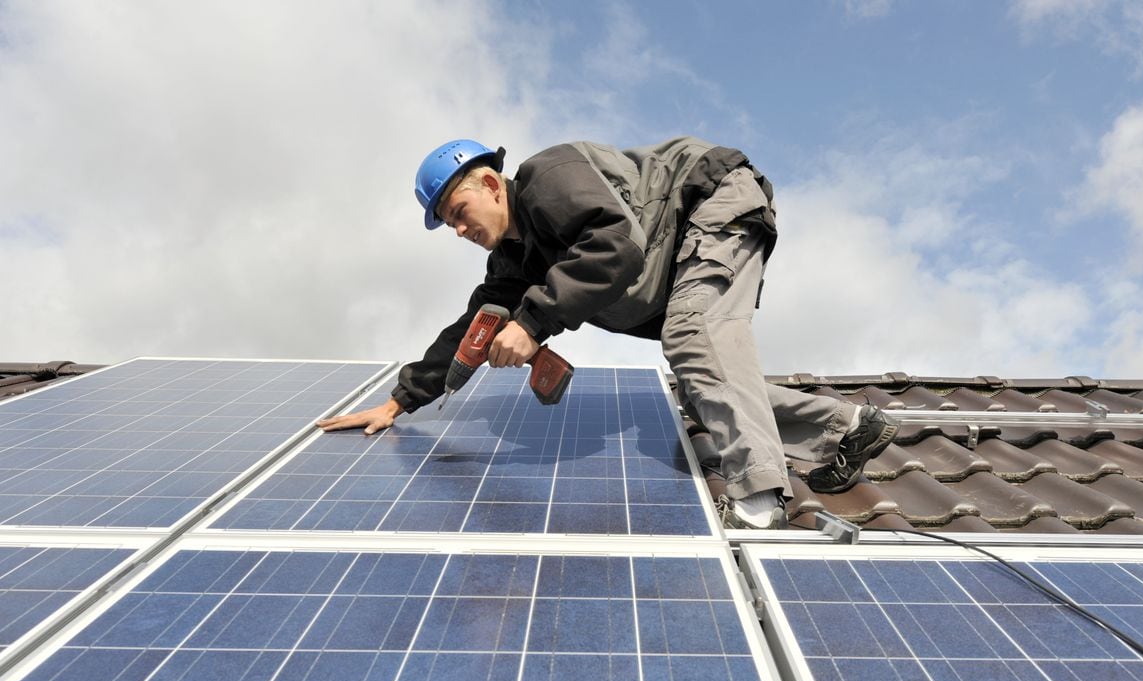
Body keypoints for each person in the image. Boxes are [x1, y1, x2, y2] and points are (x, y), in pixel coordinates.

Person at [317, 138, 897, 529]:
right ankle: (843, 428)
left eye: (460, 209)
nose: (460, 228)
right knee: (701, 387)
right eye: (448, 224)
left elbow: (614, 244)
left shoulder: (549, 178)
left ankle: (759, 500)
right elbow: (472, 329)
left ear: (493, 184)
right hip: (673, 250)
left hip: (710, 203)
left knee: (694, 339)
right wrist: (400, 400)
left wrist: (534, 322)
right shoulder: (514, 262)